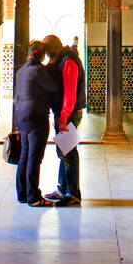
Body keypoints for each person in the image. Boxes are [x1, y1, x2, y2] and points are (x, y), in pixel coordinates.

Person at [40, 33, 86, 207]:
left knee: (69, 153)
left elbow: (70, 93)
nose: (47, 56)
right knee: (63, 151)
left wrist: (64, 118)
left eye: (47, 52)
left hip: (69, 113)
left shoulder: (68, 62)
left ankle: (73, 194)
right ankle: (62, 188)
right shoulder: (62, 59)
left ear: (52, 49)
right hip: (64, 112)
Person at [14, 41, 57, 207]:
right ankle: (34, 197)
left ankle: (22, 194)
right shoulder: (39, 70)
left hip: (21, 115)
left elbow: (17, 95)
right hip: (36, 116)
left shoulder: (21, 70)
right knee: (35, 157)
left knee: (25, 155)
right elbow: (53, 87)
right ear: (42, 55)